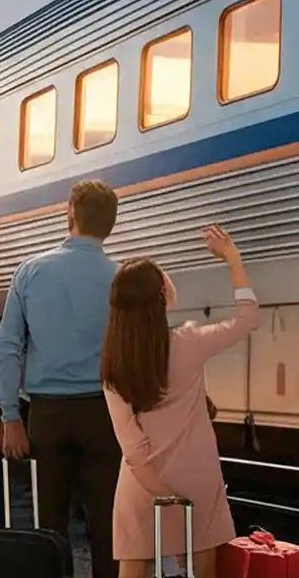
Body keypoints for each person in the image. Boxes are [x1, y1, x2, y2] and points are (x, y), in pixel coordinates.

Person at [101, 225, 258, 578]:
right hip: (196, 476)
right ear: (160, 295)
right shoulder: (189, 342)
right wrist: (232, 259)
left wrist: (162, 493)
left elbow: (132, 444)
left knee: (135, 561)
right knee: (202, 561)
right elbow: (248, 318)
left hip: (142, 482)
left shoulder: (114, 362)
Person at [0, 179, 121, 578]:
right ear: (111, 224)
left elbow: (8, 347)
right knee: (107, 525)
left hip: (46, 415)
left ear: (70, 214)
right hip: (105, 414)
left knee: (50, 525)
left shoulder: (31, 272)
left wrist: (10, 416)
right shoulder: (121, 278)